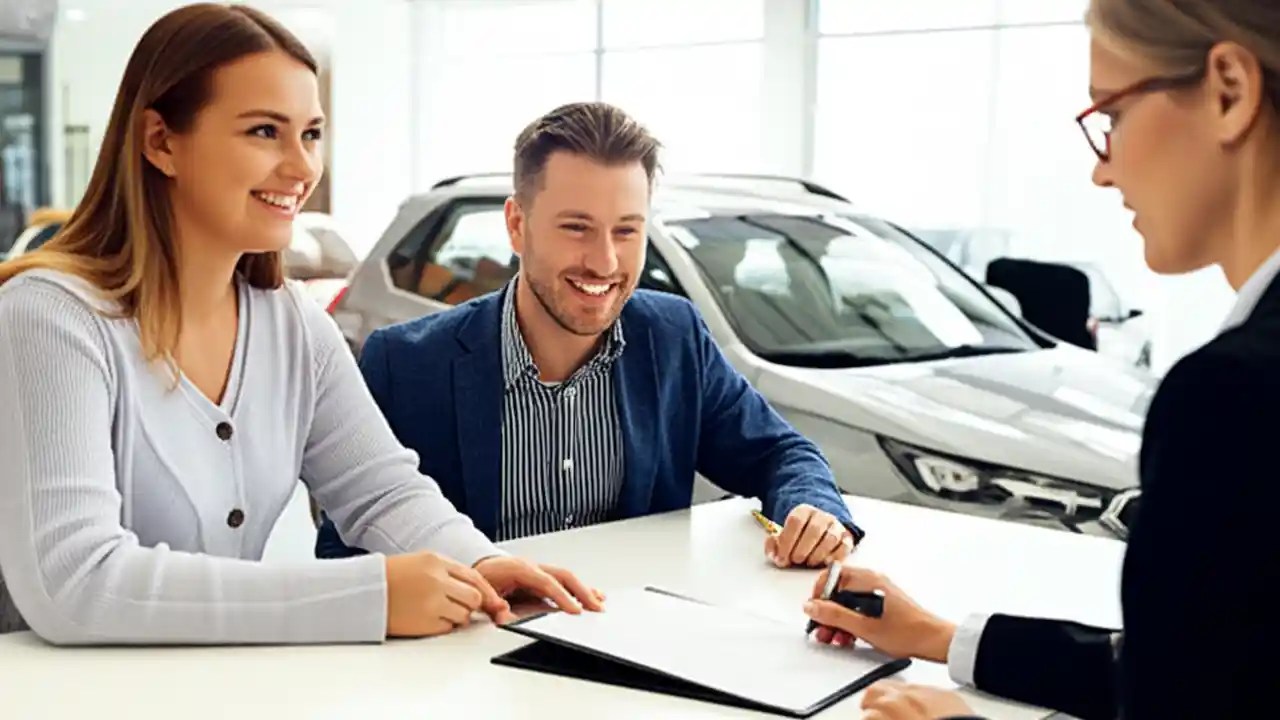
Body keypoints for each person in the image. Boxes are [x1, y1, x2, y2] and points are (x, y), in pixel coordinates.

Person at [0, 2, 601, 645]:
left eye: (311, 134)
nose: (303, 167)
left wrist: (478, 563)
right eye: (265, 132)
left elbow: (381, 491)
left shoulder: (293, 325)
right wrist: (367, 598)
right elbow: (74, 584)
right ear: (160, 141)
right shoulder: (49, 318)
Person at [802, 0, 1280, 718]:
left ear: (1229, 92)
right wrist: (941, 635)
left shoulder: (1233, 394)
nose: (1102, 172)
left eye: (1110, 118)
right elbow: (1222, 667)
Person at [315, 101, 862, 567]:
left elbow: (779, 454)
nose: (604, 262)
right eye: (576, 228)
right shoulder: (406, 365)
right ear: (516, 226)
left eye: (626, 231)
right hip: (471, 658)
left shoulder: (673, 337)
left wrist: (812, 510)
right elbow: (347, 552)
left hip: (632, 643)